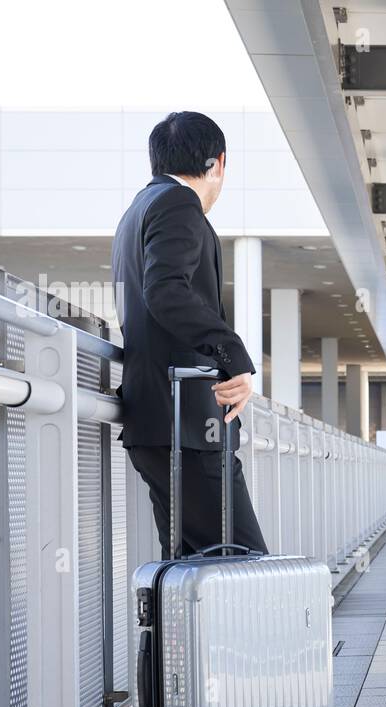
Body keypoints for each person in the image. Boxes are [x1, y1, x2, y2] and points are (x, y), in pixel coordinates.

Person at [113, 111, 267, 559]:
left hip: (158, 421)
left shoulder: (135, 211)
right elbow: (165, 292)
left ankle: (165, 635)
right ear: (218, 163)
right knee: (241, 566)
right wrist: (233, 353)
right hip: (187, 425)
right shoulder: (178, 205)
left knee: (187, 569)